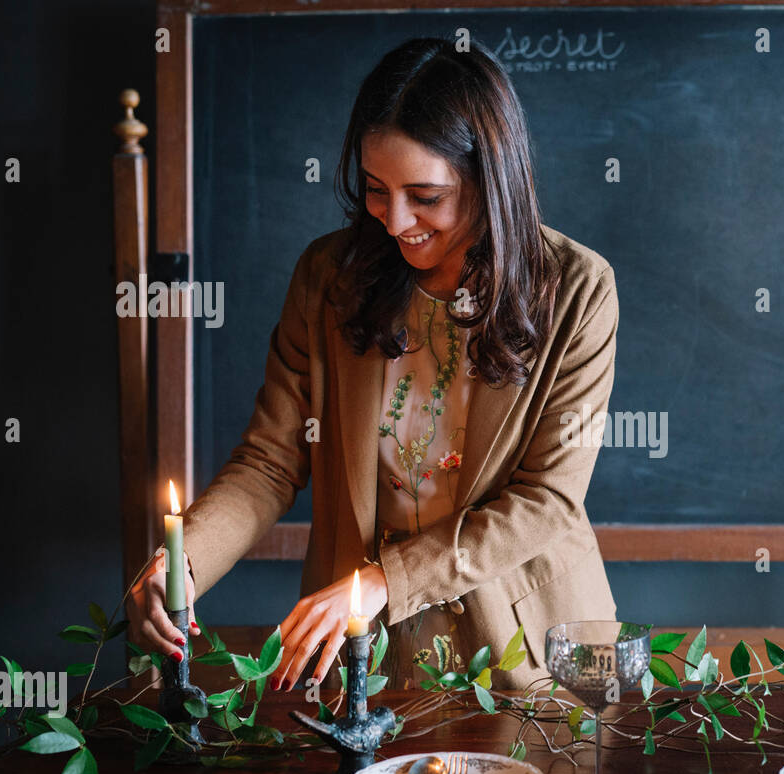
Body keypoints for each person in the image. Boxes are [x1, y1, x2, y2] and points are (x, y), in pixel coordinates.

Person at [126, 37, 620, 693]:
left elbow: (547, 500)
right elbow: (271, 461)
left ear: (490, 178)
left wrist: (386, 580)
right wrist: (185, 561)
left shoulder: (578, 290)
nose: (395, 220)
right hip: (366, 653)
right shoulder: (329, 277)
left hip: (532, 649)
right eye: (376, 190)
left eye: (426, 195)